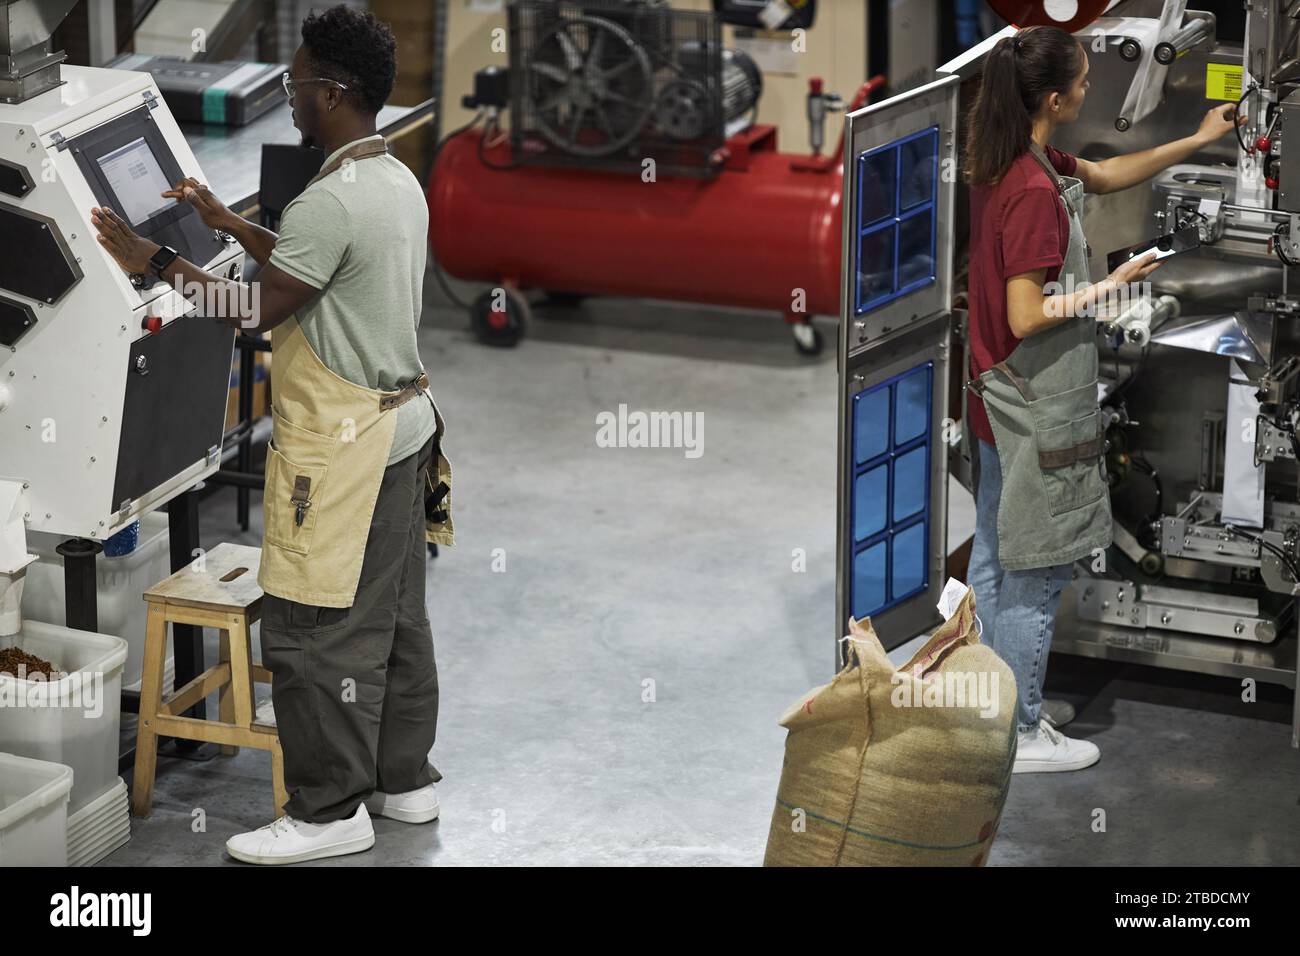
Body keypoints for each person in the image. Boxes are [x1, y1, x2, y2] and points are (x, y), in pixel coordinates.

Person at [90, 5, 453, 861]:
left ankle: (329, 813)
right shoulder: (389, 178)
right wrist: (224, 223)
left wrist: (156, 265)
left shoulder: (331, 201)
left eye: (294, 83)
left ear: (330, 91)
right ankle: (404, 785)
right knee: (397, 621)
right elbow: (311, 266)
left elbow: (255, 310)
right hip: (406, 433)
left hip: (344, 453)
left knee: (312, 632)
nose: (289, 95)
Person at [962, 24, 1241, 773]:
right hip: (1033, 404)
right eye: (1083, 83)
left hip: (996, 393)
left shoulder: (1014, 159)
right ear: (1053, 99)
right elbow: (1027, 314)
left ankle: (997, 710)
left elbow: (1107, 173)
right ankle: (1018, 734)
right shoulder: (1030, 195)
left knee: (995, 553)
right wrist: (1106, 290)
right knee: (1036, 566)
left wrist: (1196, 137)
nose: (1089, 92)